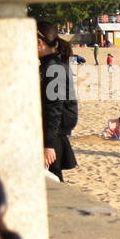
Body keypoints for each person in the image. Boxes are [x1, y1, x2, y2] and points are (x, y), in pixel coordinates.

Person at [37, 21, 77, 181]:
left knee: (53, 181)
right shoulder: (53, 64)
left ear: (39, 43)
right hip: (52, 134)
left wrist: (48, 144)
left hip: (53, 136)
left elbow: (54, 108)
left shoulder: (54, 67)